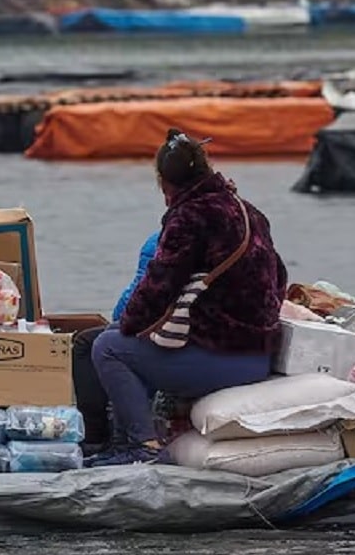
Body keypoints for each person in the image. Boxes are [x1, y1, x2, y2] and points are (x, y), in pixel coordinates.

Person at [88, 130, 287, 467]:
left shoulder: (190, 217)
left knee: (107, 347)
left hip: (224, 358)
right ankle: (123, 443)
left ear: (166, 183)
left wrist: (130, 326)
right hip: (256, 353)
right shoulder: (249, 212)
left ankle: (144, 446)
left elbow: (157, 287)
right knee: (116, 338)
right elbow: (280, 278)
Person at [71, 230, 160, 456]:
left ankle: (97, 439)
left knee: (90, 344)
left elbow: (129, 308)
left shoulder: (162, 242)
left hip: (176, 341)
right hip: (217, 341)